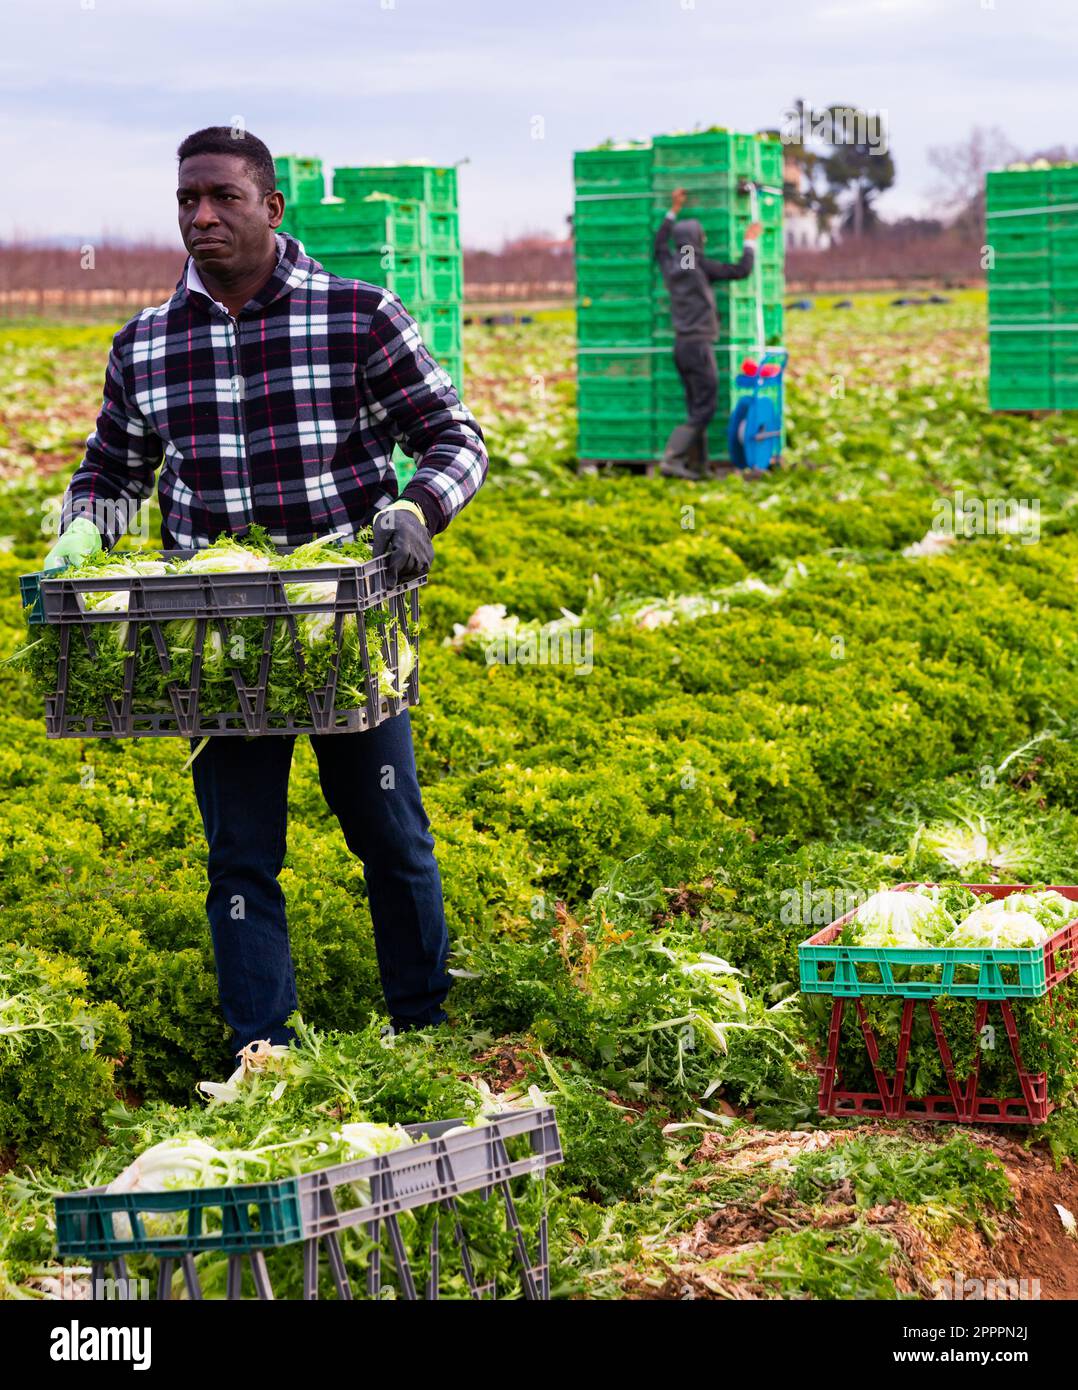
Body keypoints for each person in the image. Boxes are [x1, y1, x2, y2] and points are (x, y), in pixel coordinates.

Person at [43, 127, 488, 1060]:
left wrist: (417, 508)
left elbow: (455, 436)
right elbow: (113, 471)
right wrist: (87, 523)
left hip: (344, 631)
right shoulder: (148, 345)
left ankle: (424, 1029)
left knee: (391, 837)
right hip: (221, 645)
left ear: (271, 209)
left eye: (223, 198)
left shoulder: (357, 316)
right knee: (241, 855)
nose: (201, 216)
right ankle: (262, 1050)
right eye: (186, 201)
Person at [654, 188, 761, 480]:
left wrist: (672, 210)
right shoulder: (700, 265)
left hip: (681, 348)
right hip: (699, 346)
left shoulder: (671, 265)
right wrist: (749, 242)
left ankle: (698, 467)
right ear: (696, 241)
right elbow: (740, 270)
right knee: (705, 407)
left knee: (695, 406)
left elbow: (659, 245)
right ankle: (672, 459)